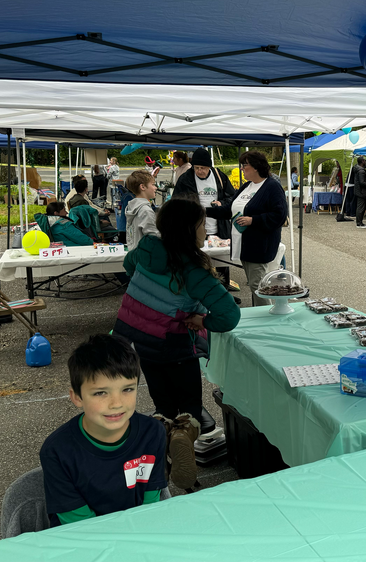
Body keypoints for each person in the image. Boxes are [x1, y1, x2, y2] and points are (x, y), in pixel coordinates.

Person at [114, 198, 241, 488]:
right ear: (190, 229)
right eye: (201, 223)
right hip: (174, 345)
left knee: (163, 403)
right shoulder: (193, 271)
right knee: (189, 409)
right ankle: (183, 440)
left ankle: (165, 456)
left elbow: (127, 265)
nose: (205, 228)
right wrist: (201, 321)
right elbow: (229, 316)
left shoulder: (147, 247)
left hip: (138, 341)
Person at [39, 334, 167, 527]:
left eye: (127, 389)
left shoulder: (153, 433)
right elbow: (82, 526)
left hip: (137, 533)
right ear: (77, 397)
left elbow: (150, 506)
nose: (116, 404)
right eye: (100, 393)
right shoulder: (57, 451)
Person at [206, 150, 289, 303]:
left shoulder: (272, 187)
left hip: (259, 246)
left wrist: (254, 220)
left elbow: (280, 215)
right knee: (255, 286)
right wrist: (205, 211)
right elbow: (229, 210)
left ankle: (265, 319)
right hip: (243, 245)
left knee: (259, 287)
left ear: (256, 167)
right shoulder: (246, 186)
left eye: (245, 166)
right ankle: (261, 315)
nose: (242, 169)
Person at [173, 148, 239, 296]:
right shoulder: (186, 179)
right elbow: (176, 203)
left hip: (218, 227)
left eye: (203, 168)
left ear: (209, 167)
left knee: (222, 262)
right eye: (197, 168)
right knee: (198, 263)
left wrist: (222, 203)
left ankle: (224, 294)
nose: (199, 171)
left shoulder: (219, 176)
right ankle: (201, 295)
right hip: (195, 229)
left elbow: (232, 197)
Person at [124, 170, 159, 246]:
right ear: (142, 187)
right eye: (153, 184)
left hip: (135, 253)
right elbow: (154, 238)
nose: (156, 188)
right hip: (146, 255)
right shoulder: (146, 211)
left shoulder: (131, 207)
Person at [352, 157, 366, 228]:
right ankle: (359, 223)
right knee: (361, 207)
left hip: (359, 191)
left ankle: (359, 222)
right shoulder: (361, 171)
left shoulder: (358, 168)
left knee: (360, 207)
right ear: (362, 162)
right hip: (361, 191)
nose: (365, 161)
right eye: (364, 160)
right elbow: (362, 183)